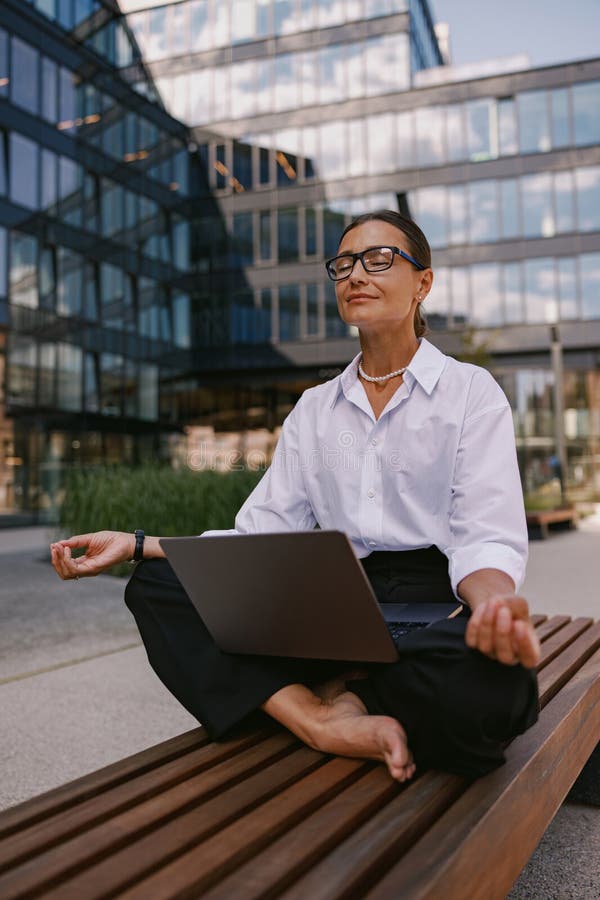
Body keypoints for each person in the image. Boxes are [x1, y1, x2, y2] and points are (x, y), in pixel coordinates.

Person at [51, 211, 540, 783]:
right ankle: (314, 716)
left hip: (434, 609)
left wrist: (493, 609)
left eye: (379, 259)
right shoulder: (314, 409)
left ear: (423, 283)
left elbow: (484, 537)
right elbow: (259, 536)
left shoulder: (470, 393)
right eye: (344, 264)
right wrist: (137, 545)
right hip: (329, 610)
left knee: (496, 688)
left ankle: (349, 693)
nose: (356, 273)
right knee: (159, 588)